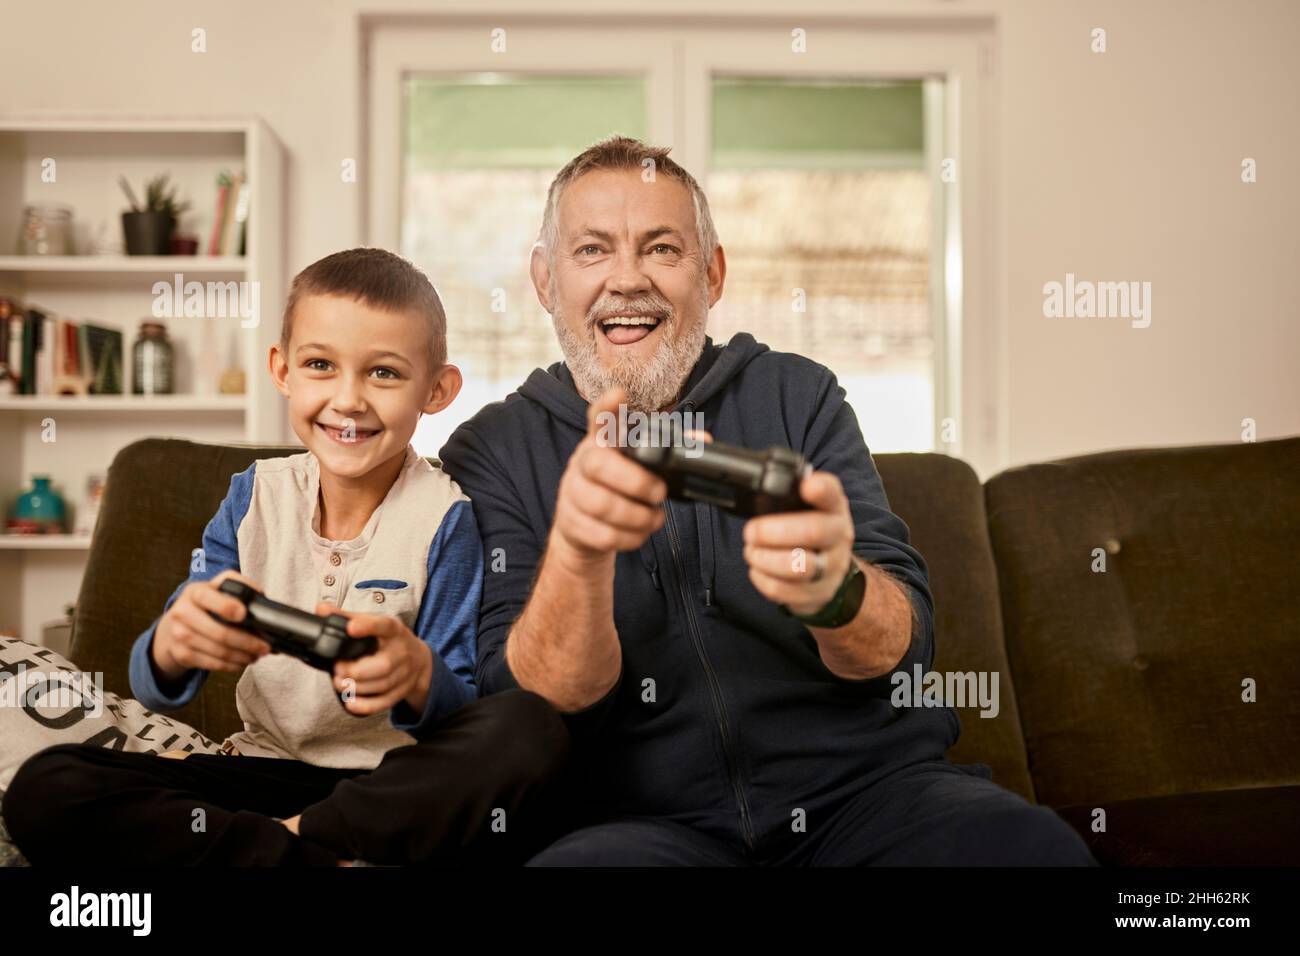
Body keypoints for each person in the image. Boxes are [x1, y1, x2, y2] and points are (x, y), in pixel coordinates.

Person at [438, 137, 1097, 866]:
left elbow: (899, 650)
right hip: (634, 830)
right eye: (592, 251)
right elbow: (535, 699)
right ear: (544, 279)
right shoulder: (491, 450)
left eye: (663, 250)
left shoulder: (798, 394)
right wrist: (579, 553)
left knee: (1033, 854)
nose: (627, 280)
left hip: (870, 799)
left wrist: (833, 591)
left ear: (712, 273)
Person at [3, 248, 569, 866]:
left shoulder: (446, 515)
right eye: (321, 365)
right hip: (258, 772)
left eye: (383, 373)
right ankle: (313, 855)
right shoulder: (253, 497)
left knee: (528, 728)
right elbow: (156, 684)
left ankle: (293, 847)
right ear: (283, 371)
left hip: (385, 789)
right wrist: (172, 646)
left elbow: (458, 707)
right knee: (46, 784)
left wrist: (416, 675)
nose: (348, 399)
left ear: (437, 390)